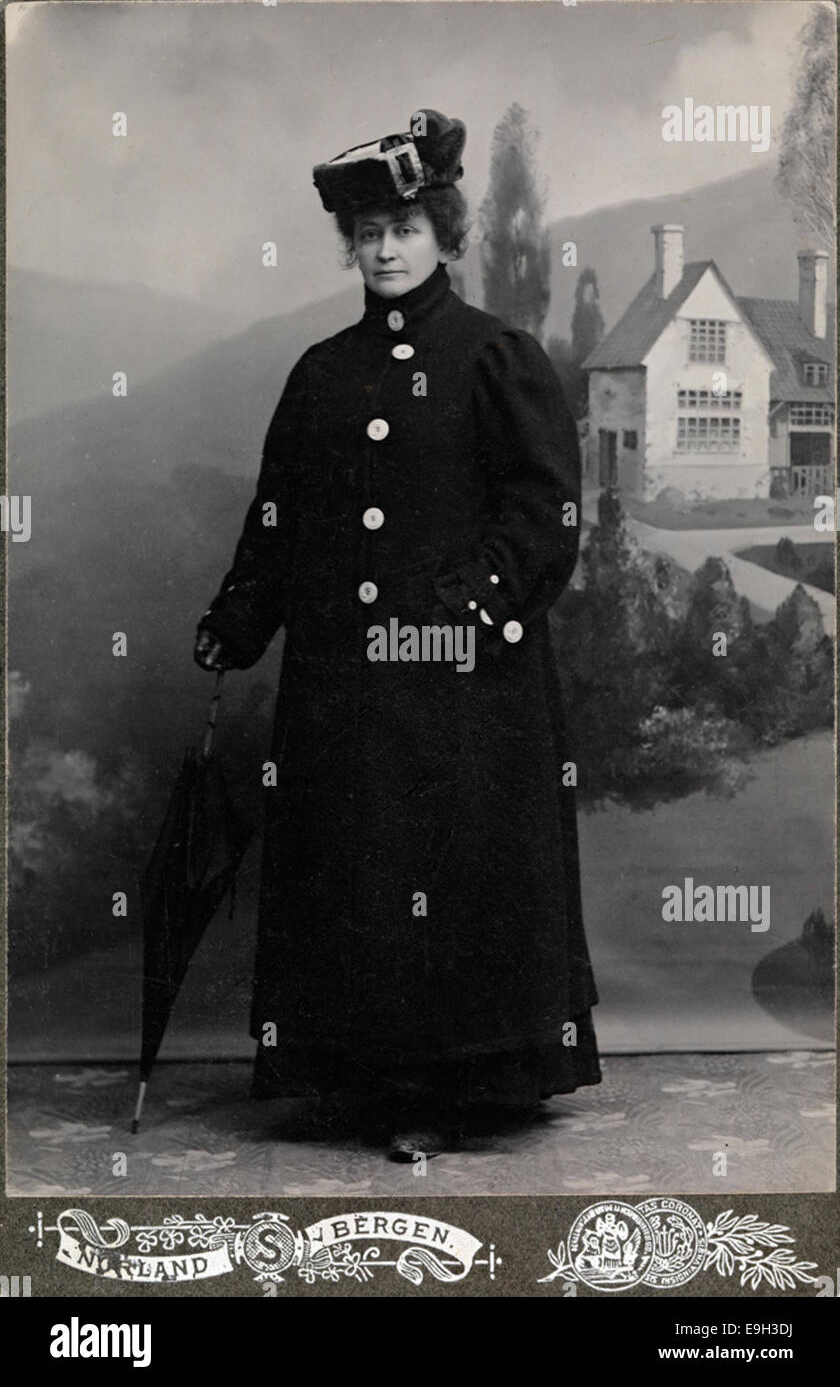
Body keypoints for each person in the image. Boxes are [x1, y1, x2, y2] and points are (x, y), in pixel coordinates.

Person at [195, 108, 601, 1161]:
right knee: (360, 871)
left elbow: (546, 510)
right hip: (341, 691)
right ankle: (362, 1084)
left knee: (446, 872)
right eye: (368, 231)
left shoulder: (495, 359)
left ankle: (453, 1086)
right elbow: (277, 519)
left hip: (465, 688)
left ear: (446, 235)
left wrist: (474, 605)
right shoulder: (320, 374)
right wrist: (239, 620)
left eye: (405, 229)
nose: (384, 249)